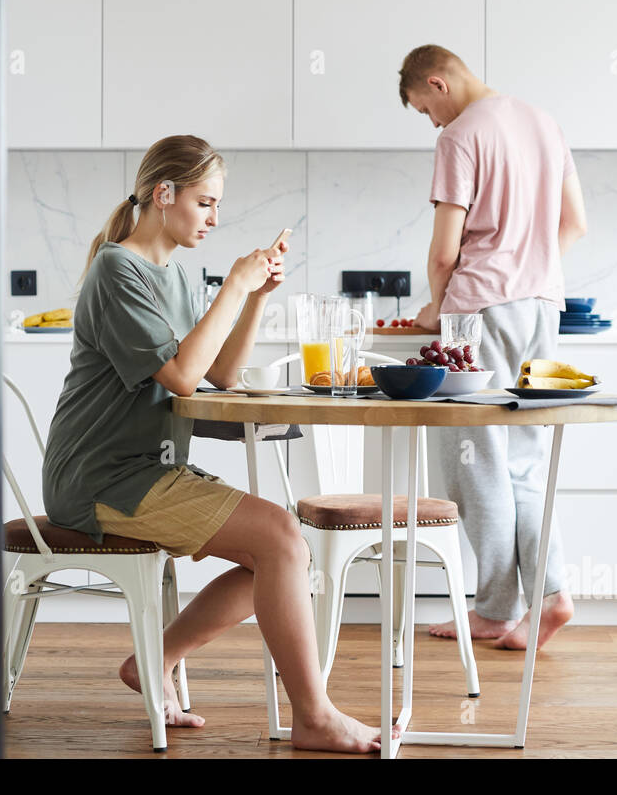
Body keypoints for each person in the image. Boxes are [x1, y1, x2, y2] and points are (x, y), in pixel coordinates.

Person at [41, 134, 391, 753]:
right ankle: (315, 715)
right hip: (100, 477)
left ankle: (154, 659)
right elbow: (178, 376)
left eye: (218, 207)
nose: (214, 219)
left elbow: (221, 375)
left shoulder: (172, 273)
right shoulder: (117, 270)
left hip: (147, 469)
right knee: (283, 539)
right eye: (205, 203)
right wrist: (233, 283)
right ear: (163, 193)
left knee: (282, 551)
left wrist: (254, 297)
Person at [399, 44, 588, 651]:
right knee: (521, 465)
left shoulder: (460, 136)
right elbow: (575, 223)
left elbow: (443, 252)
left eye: (425, 107)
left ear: (438, 82)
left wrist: (438, 307)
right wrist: (528, 271)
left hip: (477, 311)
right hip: (541, 309)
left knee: (474, 467)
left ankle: (501, 608)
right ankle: (541, 598)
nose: (431, 121)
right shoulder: (544, 122)